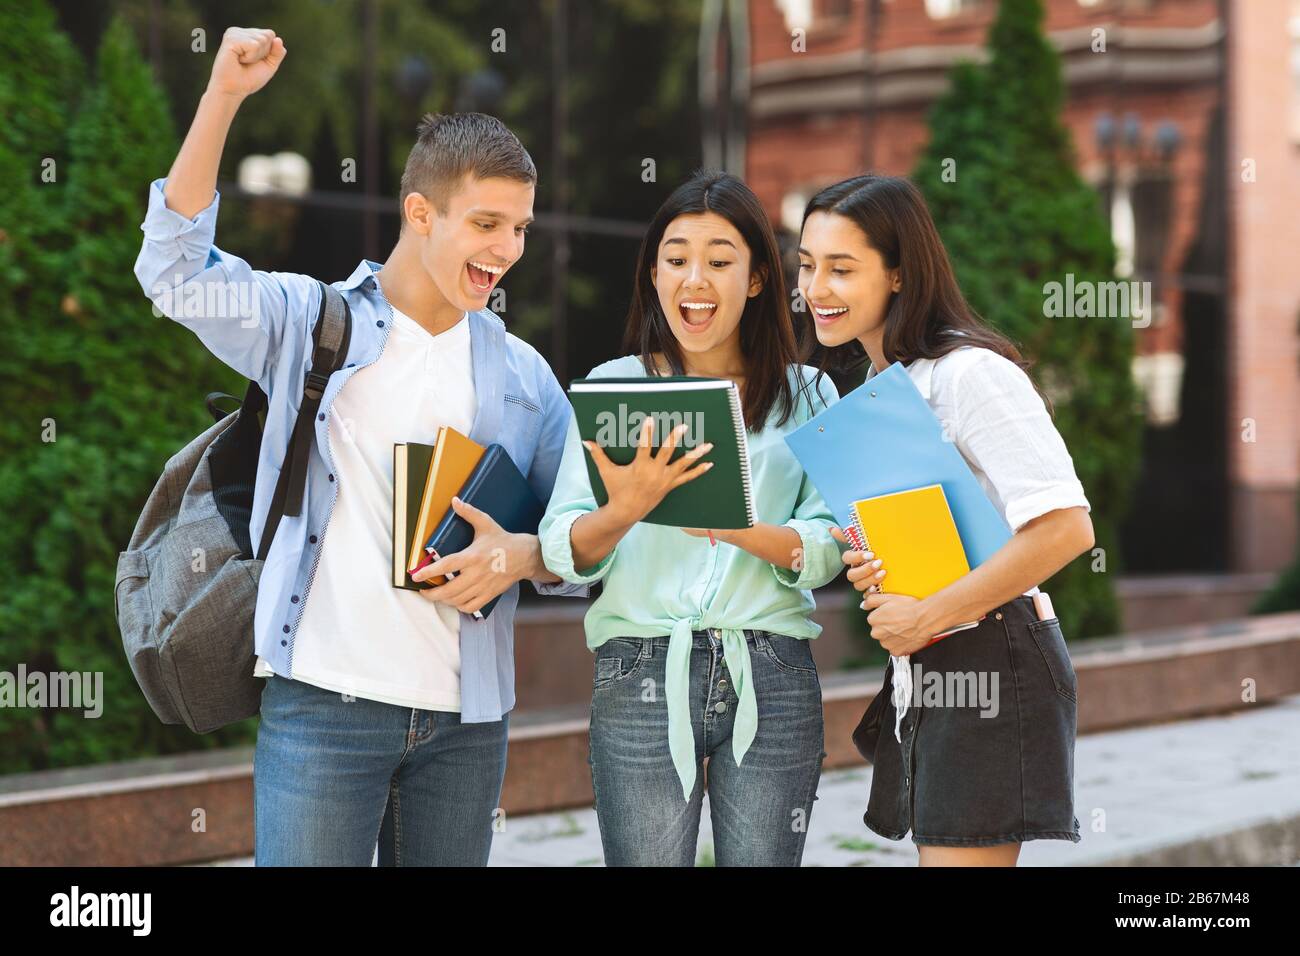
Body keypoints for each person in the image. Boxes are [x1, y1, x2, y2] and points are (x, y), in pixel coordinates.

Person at [134, 27, 586, 866]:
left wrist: (522, 556)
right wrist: (223, 97)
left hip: (466, 725)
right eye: (487, 223)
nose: (508, 250)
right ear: (421, 213)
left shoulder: (524, 377)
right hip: (324, 711)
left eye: (520, 229)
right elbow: (175, 274)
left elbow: (578, 542)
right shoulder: (312, 325)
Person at [538, 170, 844, 866]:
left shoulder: (809, 393)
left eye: (719, 259)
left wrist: (739, 529)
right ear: (653, 274)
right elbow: (561, 548)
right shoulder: (613, 388)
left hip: (769, 668)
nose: (694, 279)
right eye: (675, 259)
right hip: (641, 668)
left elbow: (830, 544)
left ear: (759, 278)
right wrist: (624, 511)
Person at [796, 173, 1094, 866]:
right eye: (808, 266)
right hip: (930, 664)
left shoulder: (969, 374)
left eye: (842, 268)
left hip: (991, 658)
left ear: (899, 274)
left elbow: (1066, 528)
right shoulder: (882, 389)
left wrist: (925, 614)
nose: (816, 288)